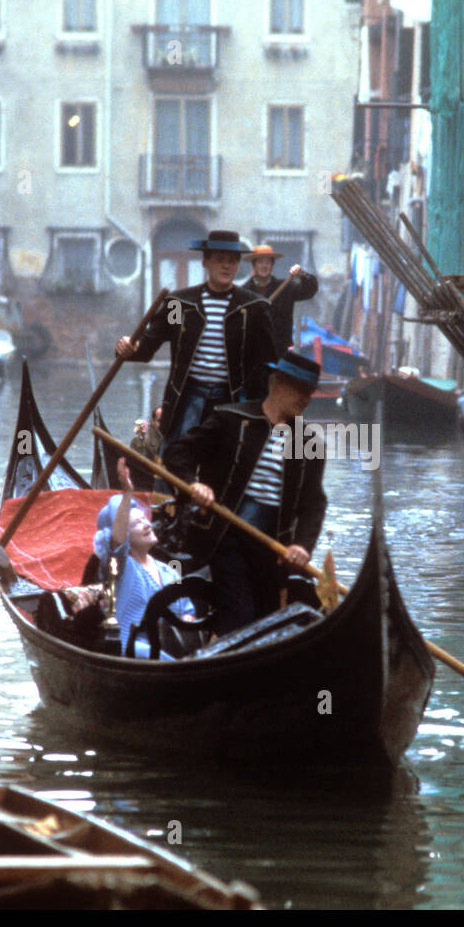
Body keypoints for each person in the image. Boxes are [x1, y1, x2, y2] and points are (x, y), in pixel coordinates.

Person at [163, 350, 327, 636]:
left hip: (273, 545)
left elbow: (314, 503)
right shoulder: (231, 420)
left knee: (268, 620)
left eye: (310, 392)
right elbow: (179, 452)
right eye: (301, 389)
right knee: (240, 614)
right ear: (278, 383)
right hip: (225, 533)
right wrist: (194, 485)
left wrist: (302, 545)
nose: (306, 398)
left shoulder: (308, 442)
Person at [115, 230, 276, 455]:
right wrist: (131, 348)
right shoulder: (180, 304)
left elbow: (268, 363)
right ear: (205, 262)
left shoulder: (254, 308)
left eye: (231, 261)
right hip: (187, 394)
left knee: (223, 465)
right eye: (219, 260)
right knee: (173, 458)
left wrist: (262, 405)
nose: (226, 266)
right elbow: (152, 341)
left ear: (239, 265)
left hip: (230, 399)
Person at [92, 458, 195, 659]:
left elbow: (186, 609)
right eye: (137, 523)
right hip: (132, 648)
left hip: (173, 645)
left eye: (144, 519)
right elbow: (117, 542)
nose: (148, 524)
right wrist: (127, 492)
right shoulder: (121, 567)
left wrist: (188, 620)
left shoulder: (169, 570)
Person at [241, 244, 318, 352]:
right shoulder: (243, 292)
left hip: (279, 350)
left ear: (272, 265)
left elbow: (309, 291)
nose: (264, 266)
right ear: (254, 265)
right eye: (260, 262)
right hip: (252, 351)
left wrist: (303, 274)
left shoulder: (286, 288)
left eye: (267, 262)